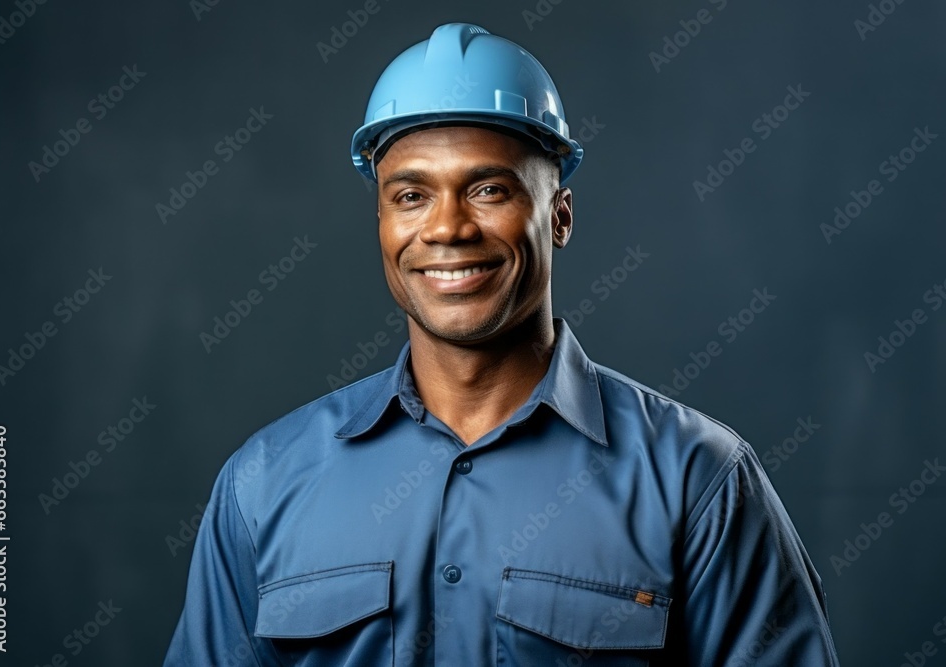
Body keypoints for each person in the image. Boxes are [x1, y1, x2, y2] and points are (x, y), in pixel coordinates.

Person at [163, 22, 841, 666]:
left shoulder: (697, 480)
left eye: (489, 189)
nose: (448, 228)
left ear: (560, 217)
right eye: (411, 195)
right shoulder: (264, 483)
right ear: (381, 221)